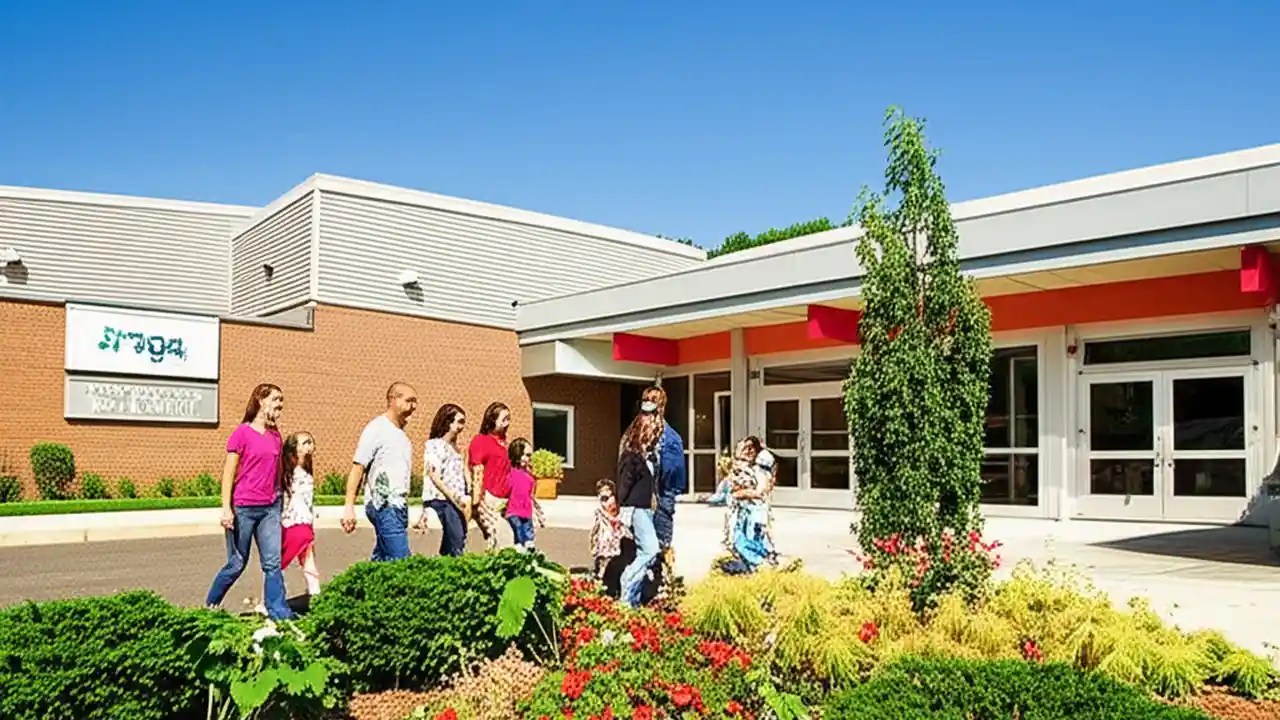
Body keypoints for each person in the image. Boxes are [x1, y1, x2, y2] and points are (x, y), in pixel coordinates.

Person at [205, 383, 294, 620]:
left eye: (281, 400)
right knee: (237, 562)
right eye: (276, 399)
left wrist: (283, 500)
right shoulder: (241, 433)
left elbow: (277, 472)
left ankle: (279, 612)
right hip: (243, 507)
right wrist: (226, 509)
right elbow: (228, 473)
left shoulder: (275, 435)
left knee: (272, 563)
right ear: (261, 400)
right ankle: (210, 605)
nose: (280, 405)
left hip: (270, 508)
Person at [342, 382, 418, 561]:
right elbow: (358, 467)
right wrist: (349, 507)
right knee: (401, 559)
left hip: (399, 504)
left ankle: (361, 586)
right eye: (409, 400)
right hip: (384, 504)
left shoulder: (401, 434)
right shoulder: (377, 428)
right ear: (393, 399)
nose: (413, 406)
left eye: (415, 402)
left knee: (383, 558)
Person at [616, 411, 662, 607]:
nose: (655, 432)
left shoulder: (647, 456)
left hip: (646, 508)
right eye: (651, 428)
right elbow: (623, 485)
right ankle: (627, 580)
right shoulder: (631, 456)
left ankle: (631, 600)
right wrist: (621, 508)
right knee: (650, 550)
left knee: (645, 551)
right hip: (636, 508)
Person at [642, 385, 687, 590]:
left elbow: (672, 475)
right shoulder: (636, 432)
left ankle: (661, 585)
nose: (650, 402)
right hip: (639, 497)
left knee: (660, 543)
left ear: (662, 405)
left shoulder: (671, 438)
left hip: (661, 497)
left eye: (654, 400)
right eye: (647, 398)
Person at [419, 403, 470, 556]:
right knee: (455, 544)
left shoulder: (455, 449)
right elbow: (434, 476)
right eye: (459, 421)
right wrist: (453, 497)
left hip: (455, 502)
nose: (462, 426)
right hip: (441, 500)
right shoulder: (435, 446)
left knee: (456, 541)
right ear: (448, 422)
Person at [468, 401, 515, 551]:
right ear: (492, 419)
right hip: (488, 497)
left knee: (501, 539)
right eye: (504, 418)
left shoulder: (505, 445)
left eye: (509, 418)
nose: (507, 422)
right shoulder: (481, 441)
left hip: (506, 499)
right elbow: (476, 469)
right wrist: (477, 500)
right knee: (501, 536)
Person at [280, 431, 322, 596]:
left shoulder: (306, 472)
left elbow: (309, 502)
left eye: (310, 442)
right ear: (294, 448)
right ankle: (271, 598)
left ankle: (315, 591)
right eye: (304, 443)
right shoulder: (287, 473)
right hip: (290, 522)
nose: (309, 446)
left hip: (304, 522)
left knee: (307, 559)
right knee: (281, 562)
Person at [590, 478, 624, 581]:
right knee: (603, 554)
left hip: (613, 529)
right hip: (604, 530)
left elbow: (615, 514)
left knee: (612, 554)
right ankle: (600, 573)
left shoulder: (613, 500)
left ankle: (606, 574)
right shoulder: (601, 503)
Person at [505, 438, 536, 549]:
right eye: (527, 455)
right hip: (513, 512)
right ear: (518, 455)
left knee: (529, 540)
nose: (529, 459)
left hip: (526, 513)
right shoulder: (511, 472)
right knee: (518, 537)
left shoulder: (529, 476)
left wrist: (537, 511)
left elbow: (530, 495)